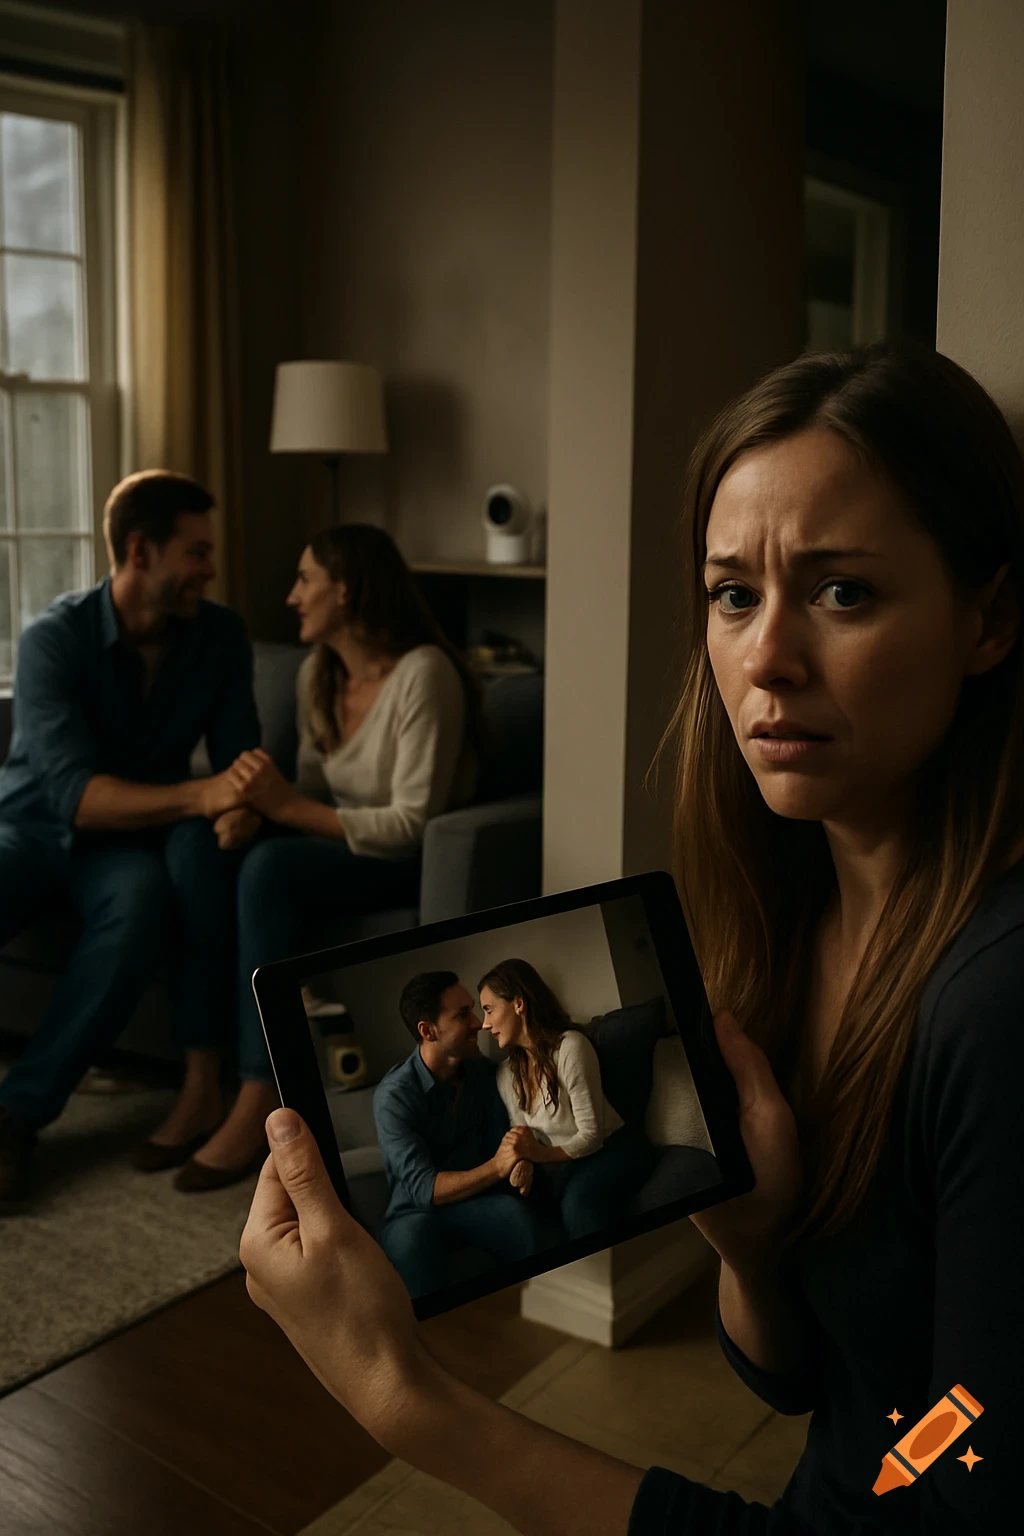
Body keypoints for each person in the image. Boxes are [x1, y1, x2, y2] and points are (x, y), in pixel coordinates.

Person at [238, 341, 1022, 1532]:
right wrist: (753, 1246)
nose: (765, 658)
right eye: (732, 594)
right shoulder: (790, 920)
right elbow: (831, 1389)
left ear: (988, 617)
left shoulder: (996, 1004)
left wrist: (408, 1401)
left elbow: (951, 1464)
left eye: (842, 590)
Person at [172, 526, 481, 1189]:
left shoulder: (425, 674)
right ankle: (201, 1076)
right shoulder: (319, 674)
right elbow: (309, 794)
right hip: (337, 844)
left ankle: (259, 1091)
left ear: (346, 588)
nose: (292, 596)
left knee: (271, 868)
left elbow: (410, 822)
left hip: (403, 858)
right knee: (202, 846)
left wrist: (281, 813)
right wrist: (252, 813)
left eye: (305, 579)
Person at [0, 470, 262, 1213]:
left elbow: (242, 759)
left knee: (141, 902)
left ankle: (16, 1116)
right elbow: (75, 796)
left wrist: (239, 807)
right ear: (141, 550)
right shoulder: (54, 637)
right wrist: (202, 794)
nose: (211, 570)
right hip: (28, 826)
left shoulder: (220, 637)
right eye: (198, 551)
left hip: (123, 849)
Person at [373, 971, 548, 1298]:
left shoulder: (482, 1074)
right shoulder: (394, 1097)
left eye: (473, 1010)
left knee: (515, 1217)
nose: (479, 1023)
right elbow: (425, 1188)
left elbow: (505, 1141)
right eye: (462, 1014)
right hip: (415, 1212)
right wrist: (497, 1166)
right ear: (428, 1031)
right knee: (413, 1240)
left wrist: (521, 1163)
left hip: (477, 1203)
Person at [478, 958, 656, 1241]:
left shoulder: (571, 1047)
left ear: (519, 1004)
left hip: (612, 1148)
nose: (485, 1024)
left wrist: (536, 1155)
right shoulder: (506, 1073)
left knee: (578, 1204)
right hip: (561, 1162)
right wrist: (522, 1161)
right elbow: (525, 1133)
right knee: (518, 1206)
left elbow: (591, 1135)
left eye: (489, 1010)